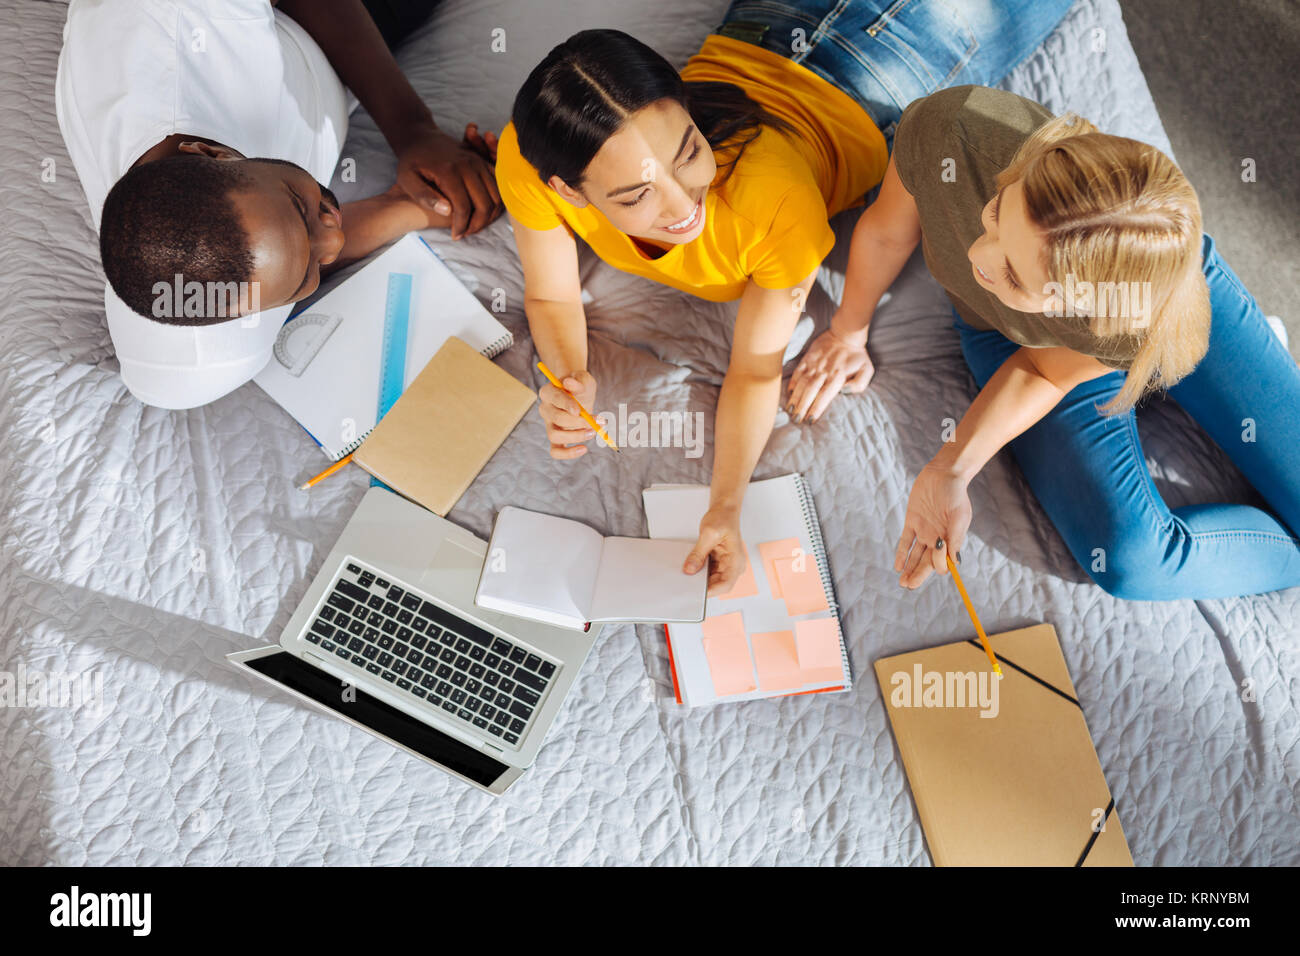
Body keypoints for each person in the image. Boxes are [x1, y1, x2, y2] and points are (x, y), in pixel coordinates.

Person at [495, 0, 1074, 594]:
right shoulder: (527, 158)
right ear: (568, 190)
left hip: (888, 55)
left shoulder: (774, 203)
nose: (683, 203)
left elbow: (753, 371)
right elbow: (550, 297)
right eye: (638, 194)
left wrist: (725, 505)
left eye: (688, 150)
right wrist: (568, 375)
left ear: (685, 108)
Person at [790, 84, 1300, 599]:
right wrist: (848, 332)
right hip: (1013, 345)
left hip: (1152, 321)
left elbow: (1054, 368)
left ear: (1086, 311)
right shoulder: (954, 126)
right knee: (1132, 561)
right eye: (995, 214)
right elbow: (887, 233)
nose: (979, 259)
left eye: (1013, 277)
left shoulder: (1138, 316)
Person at [55, 0, 503, 409]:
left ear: (211, 153)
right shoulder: (194, 352)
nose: (336, 237)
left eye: (298, 205)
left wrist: (413, 130)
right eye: (305, 274)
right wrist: (414, 208)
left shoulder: (177, 20)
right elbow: (281, 268)